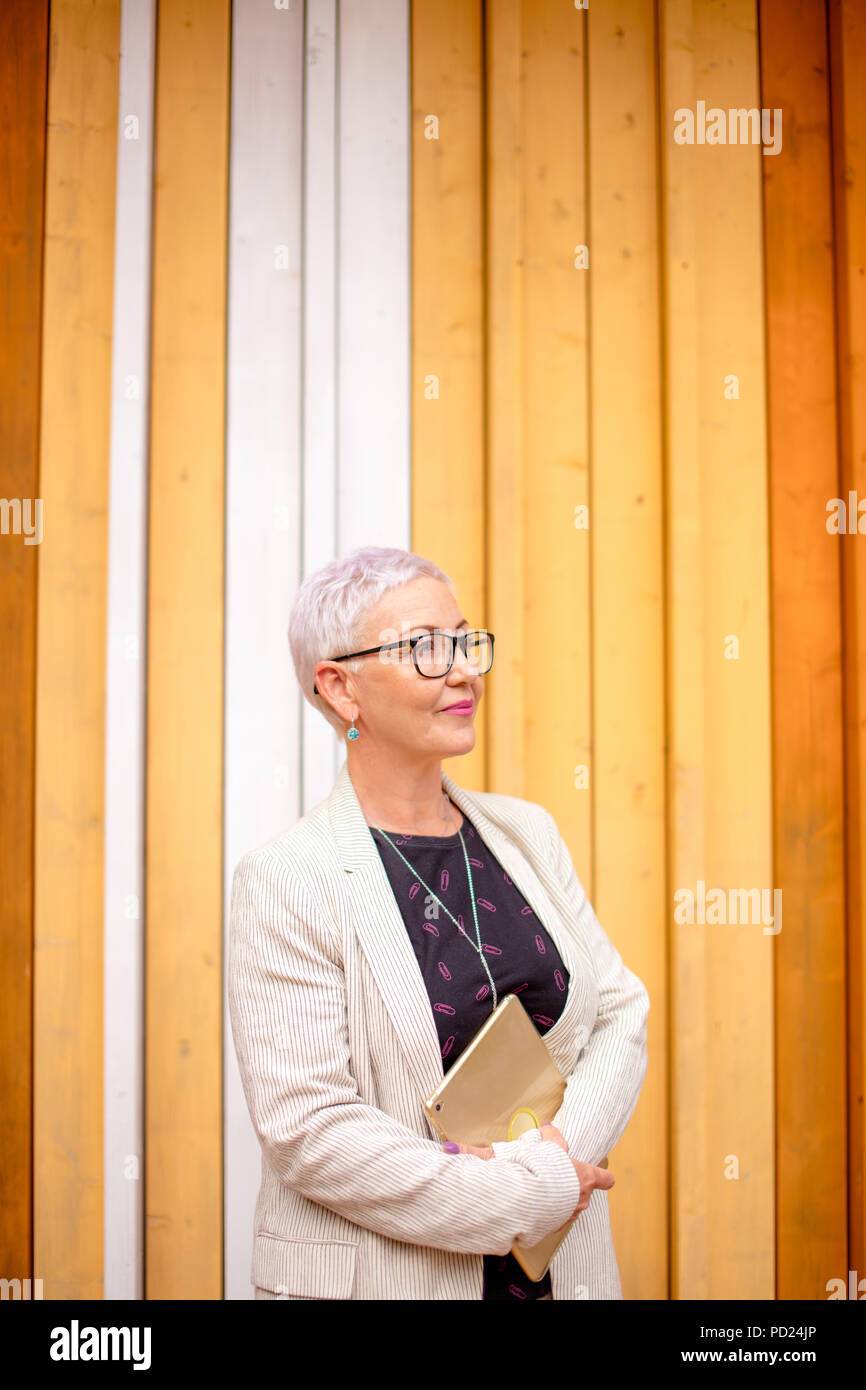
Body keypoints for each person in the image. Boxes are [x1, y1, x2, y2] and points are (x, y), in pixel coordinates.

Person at [228, 545, 649, 1300]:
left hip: (558, 1272)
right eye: (425, 648)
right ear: (340, 688)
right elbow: (311, 1131)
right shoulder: (287, 878)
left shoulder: (528, 833)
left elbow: (619, 1012)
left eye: (463, 641)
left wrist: (551, 1171)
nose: (463, 671)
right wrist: (524, 1200)